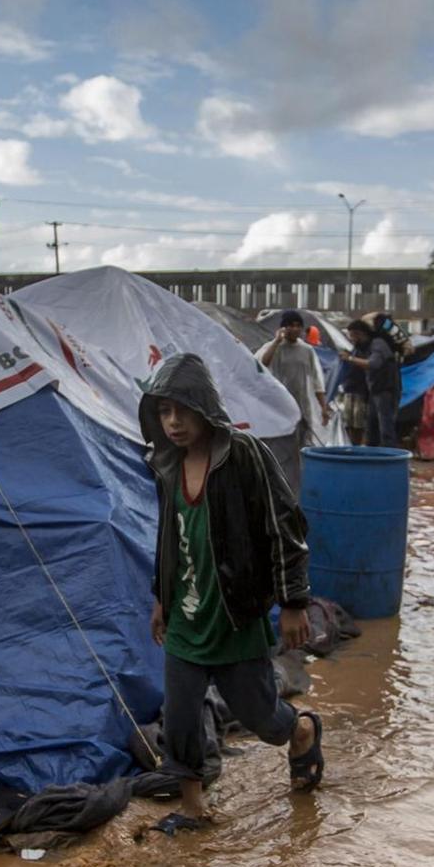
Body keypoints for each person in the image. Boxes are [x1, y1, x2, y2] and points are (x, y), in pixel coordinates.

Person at [141, 354, 323, 836]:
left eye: (182, 409)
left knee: (261, 716)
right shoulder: (166, 464)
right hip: (186, 617)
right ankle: (193, 806)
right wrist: (161, 595)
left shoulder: (245, 454)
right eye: (163, 412)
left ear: (205, 407)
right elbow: (169, 535)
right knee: (178, 716)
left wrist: (294, 602)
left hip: (235, 614)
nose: (174, 422)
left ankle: (302, 730)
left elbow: (286, 526)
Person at [255, 311, 331, 448]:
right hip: (279, 403)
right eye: (291, 326)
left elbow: (316, 380)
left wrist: (323, 407)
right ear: (284, 328)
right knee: (280, 442)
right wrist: (277, 341)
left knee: (301, 442)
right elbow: (262, 364)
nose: (295, 329)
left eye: (298, 326)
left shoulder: (306, 350)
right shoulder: (275, 347)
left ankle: (299, 468)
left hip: (301, 403)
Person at [338, 318, 399, 447]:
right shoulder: (362, 347)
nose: (352, 340)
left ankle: (390, 458)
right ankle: (372, 455)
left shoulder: (378, 344)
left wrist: (350, 358)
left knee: (385, 427)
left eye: (353, 336)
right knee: (371, 428)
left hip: (386, 390)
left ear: (360, 334)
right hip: (374, 390)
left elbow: (373, 364)